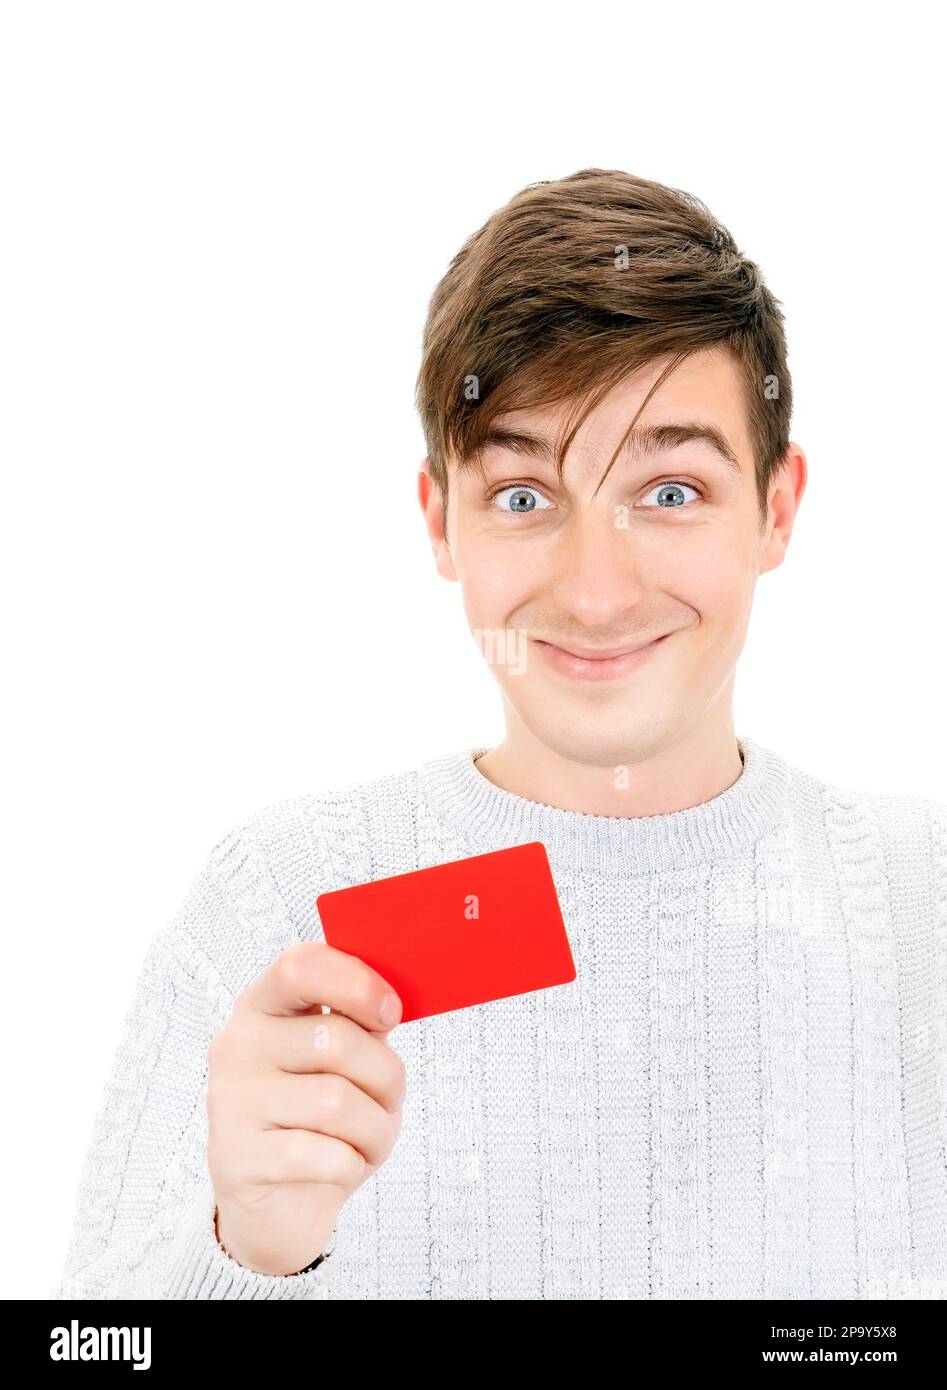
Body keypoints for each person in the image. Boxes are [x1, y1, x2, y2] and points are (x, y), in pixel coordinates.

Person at [52, 168, 947, 1301]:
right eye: (523, 496)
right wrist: (246, 1252)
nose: (596, 592)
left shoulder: (931, 907)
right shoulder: (283, 902)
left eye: (669, 491)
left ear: (776, 507)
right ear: (440, 523)